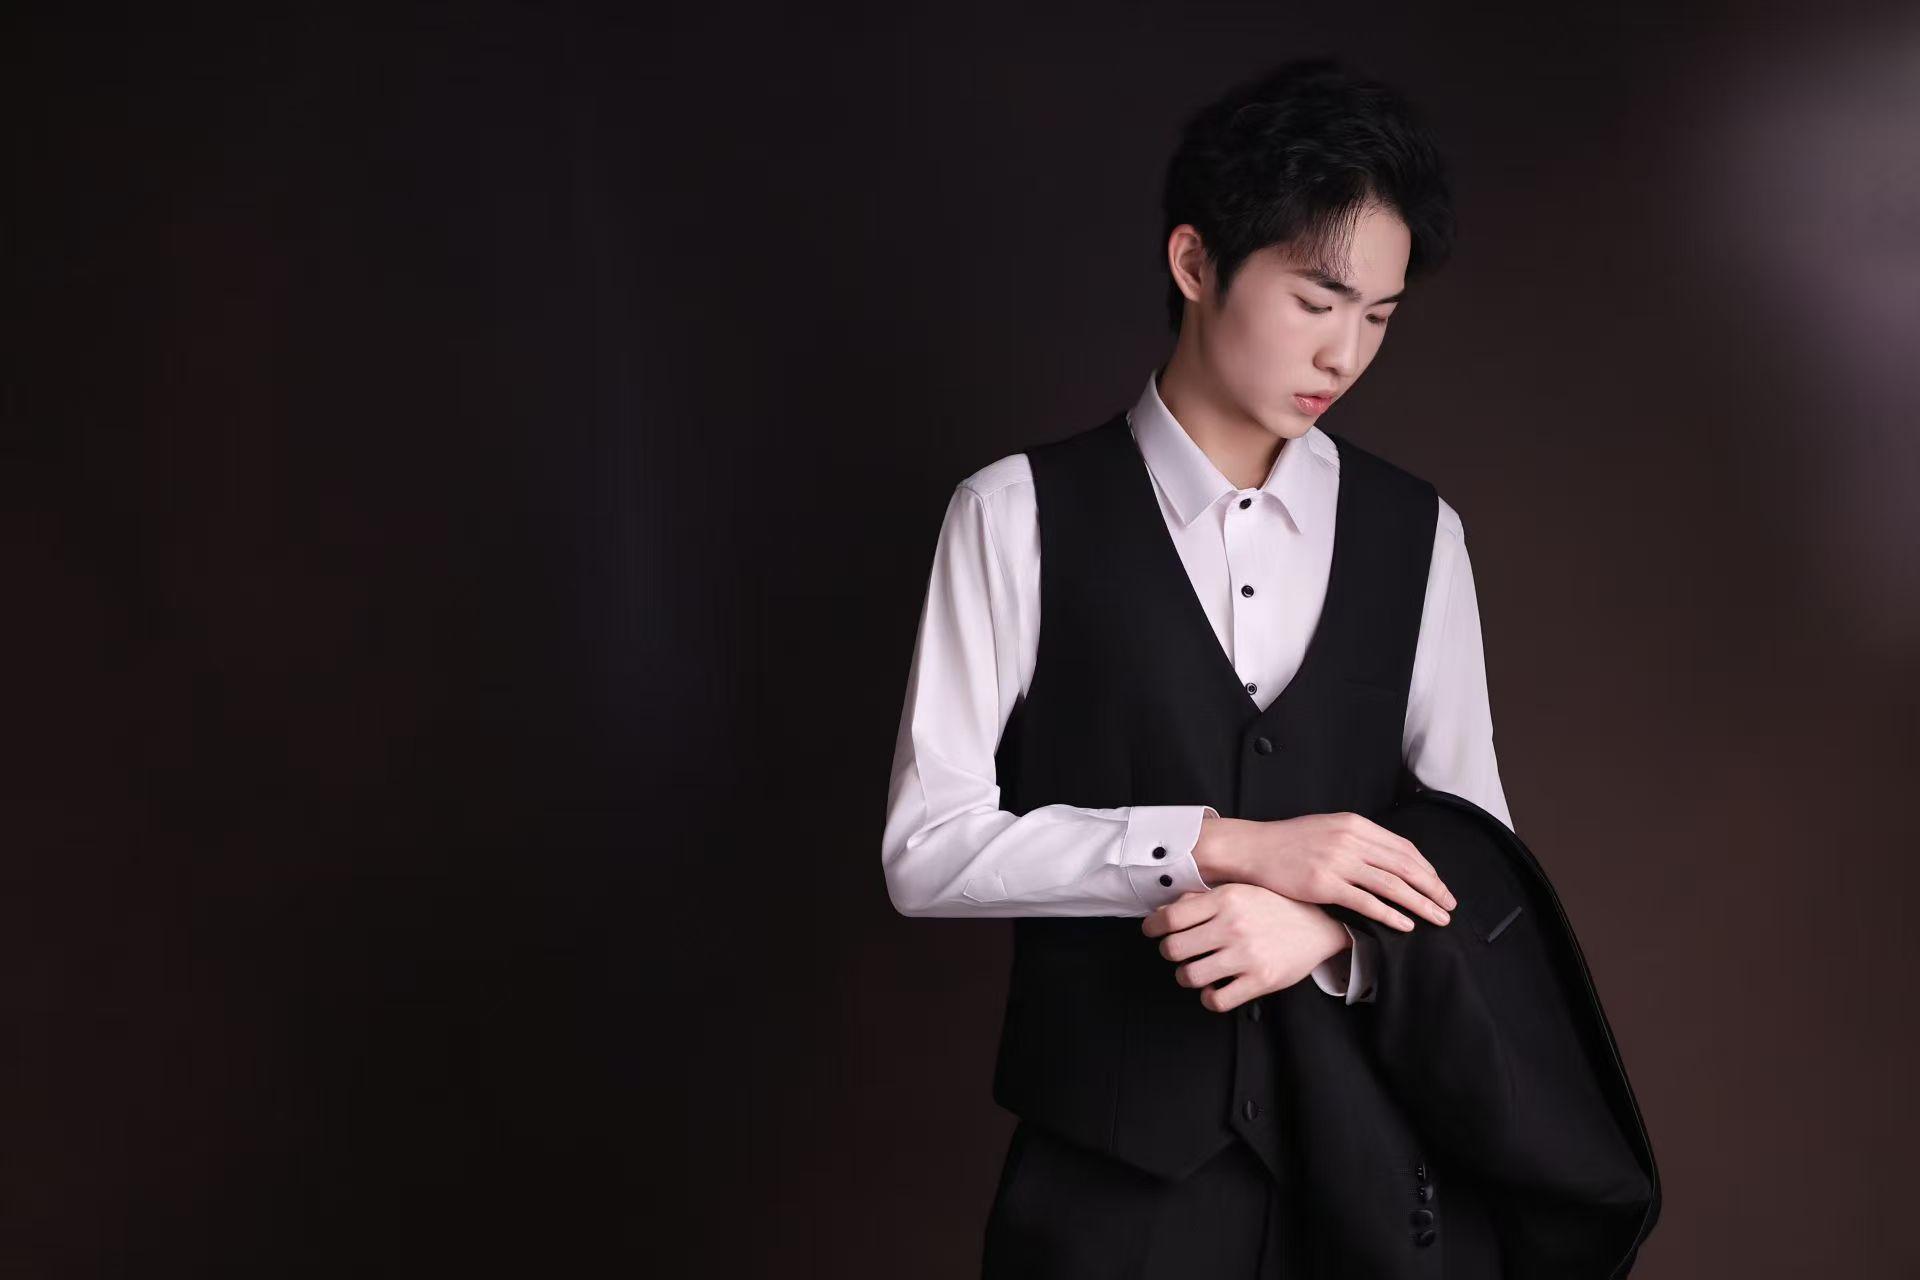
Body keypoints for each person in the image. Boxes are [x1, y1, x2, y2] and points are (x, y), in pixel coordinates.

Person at [880, 55, 1511, 1275]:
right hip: (1106, 1201)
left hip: (1358, 1180)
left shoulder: (1418, 535)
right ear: (1193, 262)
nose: (1345, 353)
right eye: (1317, 301)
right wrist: (1218, 844)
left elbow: (1479, 864)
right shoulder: (1014, 514)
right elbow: (926, 848)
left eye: (1378, 318)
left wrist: (1329, 937)